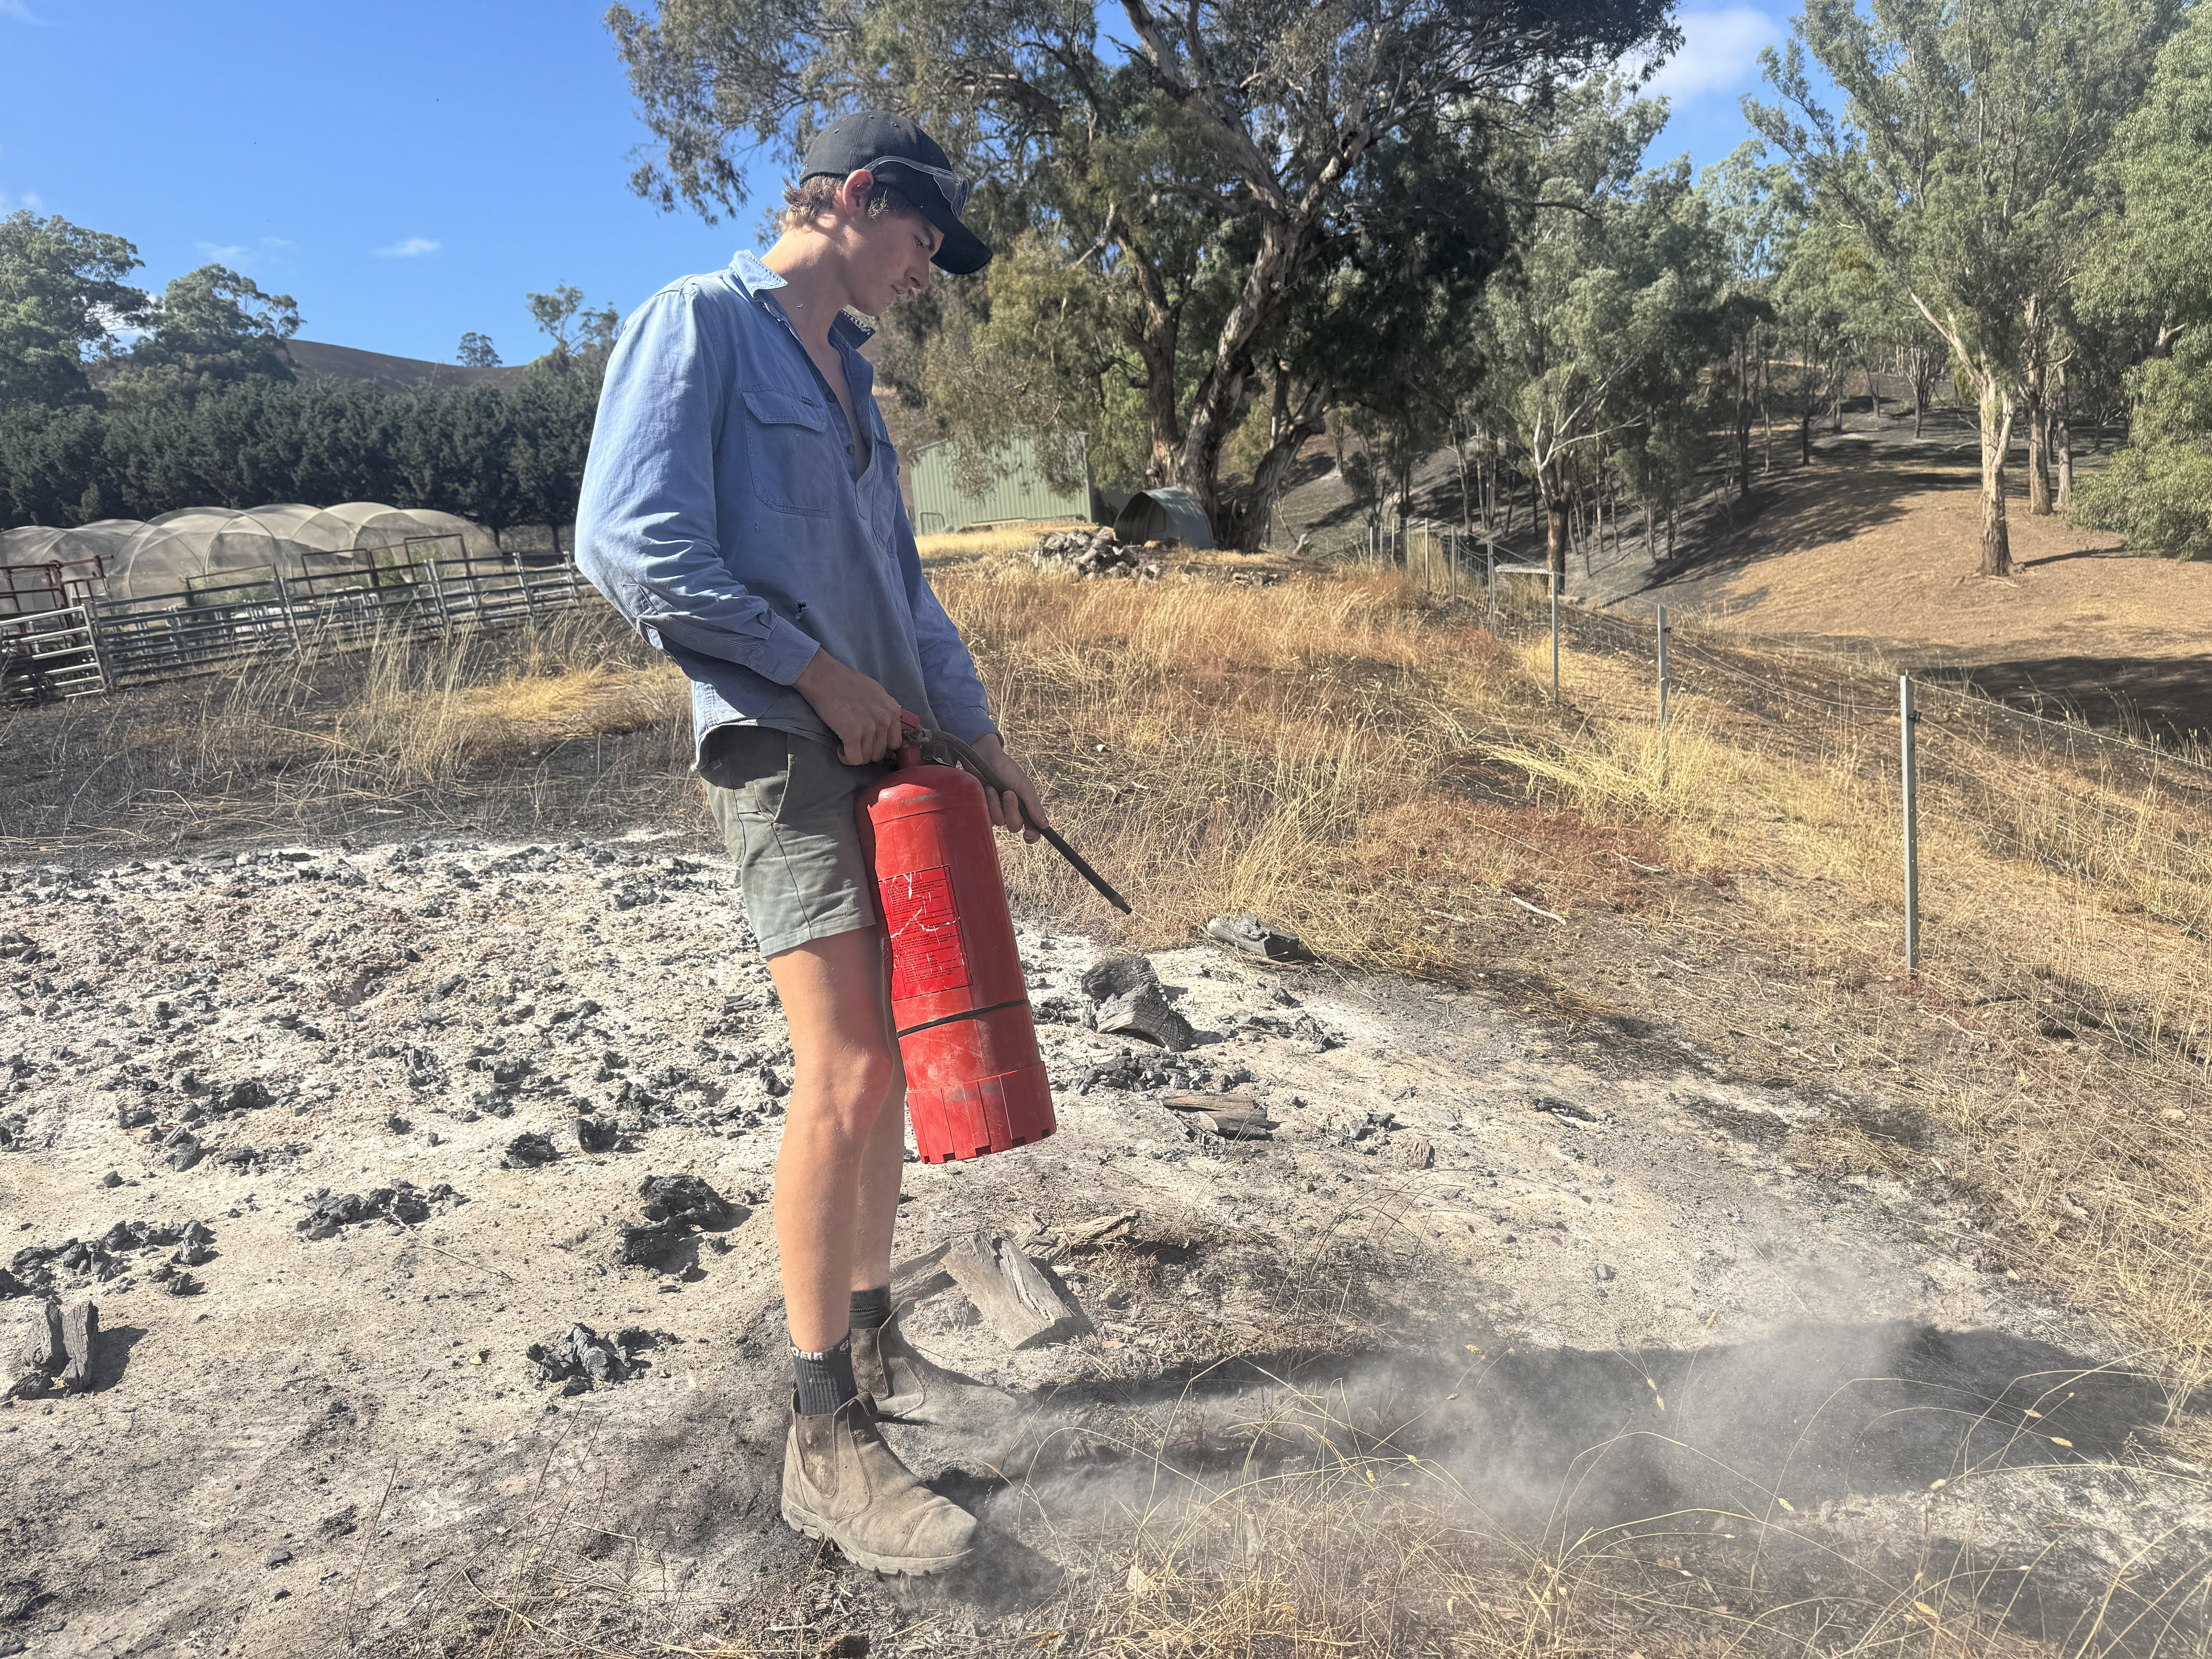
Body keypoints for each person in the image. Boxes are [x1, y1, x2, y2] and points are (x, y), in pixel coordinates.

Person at [574, 111, 1048, 1577]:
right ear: (853, 202)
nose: (928, 270)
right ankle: (818, 1437)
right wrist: (812, 673)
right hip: (782, 751)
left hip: (888, 754)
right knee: (842, 1068)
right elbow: (630, 544)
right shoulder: (696, 327)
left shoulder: (855, 381)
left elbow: (906, 599)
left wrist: (977, 735)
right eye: (921, 239)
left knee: (894, 1060)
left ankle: (881, 1351)